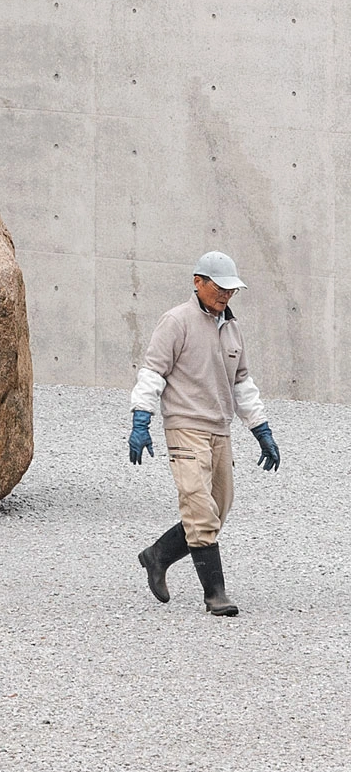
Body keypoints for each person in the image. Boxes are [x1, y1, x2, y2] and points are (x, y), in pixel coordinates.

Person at [128, 251, 280, 616]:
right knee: (199, 510)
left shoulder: (232, 328)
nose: (226, 294)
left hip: (220, 430)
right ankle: (216, 596)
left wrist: (261, 428)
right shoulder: (176, 322)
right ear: (198, 282)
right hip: (185, 427)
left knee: (216, 510)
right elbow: (153, 373)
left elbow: (242, 383)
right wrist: (141, 419)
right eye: (220, 287)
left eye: (232, 289)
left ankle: (157, 555)